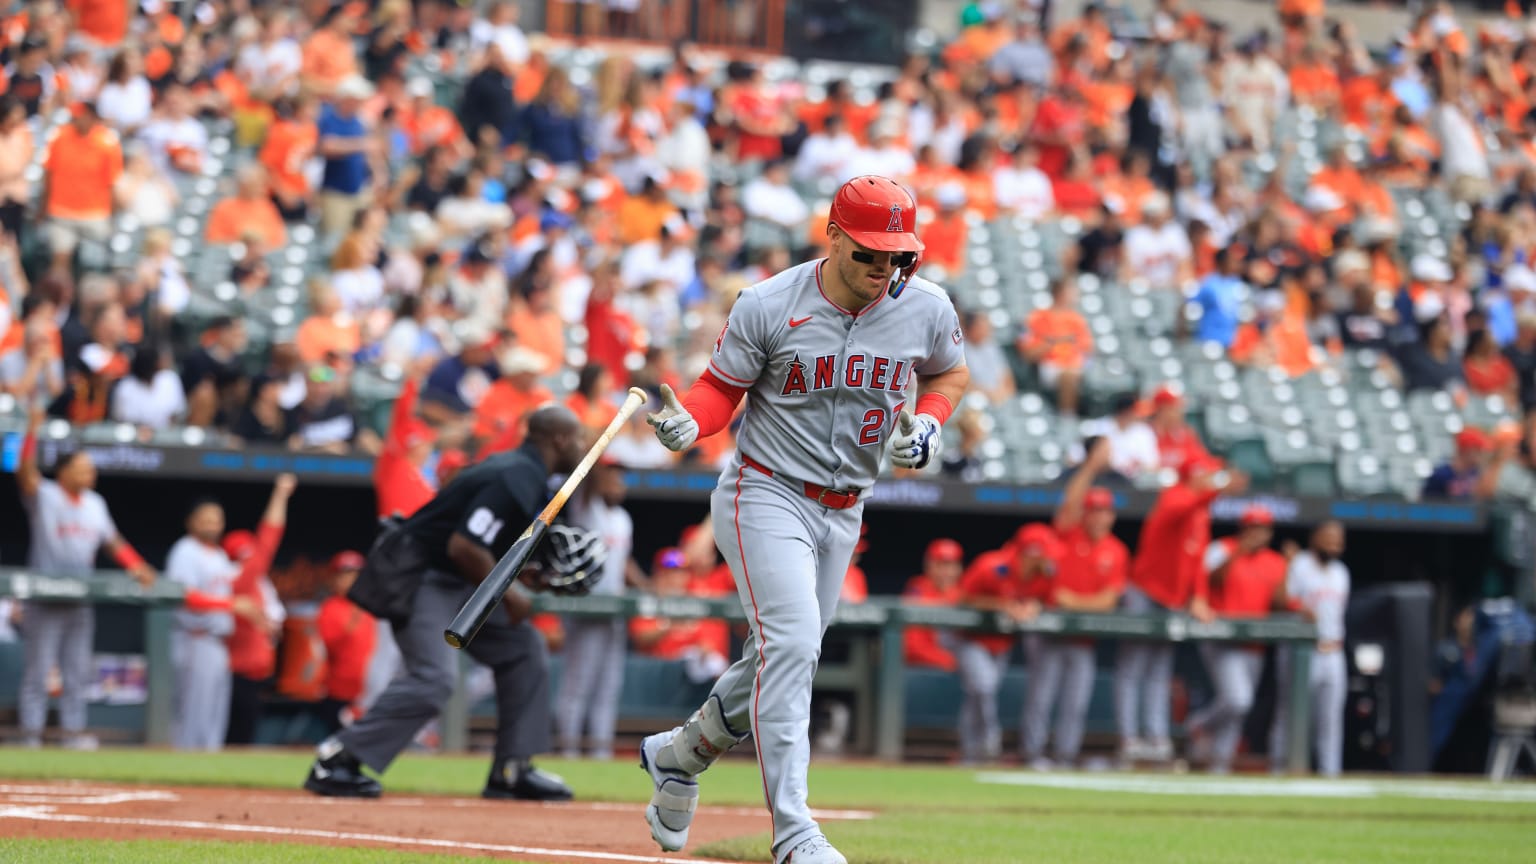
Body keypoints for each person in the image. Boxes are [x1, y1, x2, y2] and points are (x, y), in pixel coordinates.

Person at [638, 175, 969, 864]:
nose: (884, 267)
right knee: (791, 647)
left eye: (897, 255)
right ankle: (793, 830)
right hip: (767, 491)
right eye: (870, 251)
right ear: (835, 237)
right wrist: (688, 423)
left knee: (783, 654)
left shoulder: (926, 306)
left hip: (847, 508)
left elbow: (949, 373)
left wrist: (932, 424)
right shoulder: (769, 302)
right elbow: (718, 389)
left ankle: (680, 755)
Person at [303, 404, 597, 801]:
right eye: (578, 438)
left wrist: (531, 577)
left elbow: (486, 546)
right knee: (434, 678)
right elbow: (464, 547)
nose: (583, 447)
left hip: (460, 581)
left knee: (524, 649)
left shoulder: (529, 475)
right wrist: (512, 594)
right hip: (423, 576)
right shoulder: (516, 474)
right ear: (559, 440)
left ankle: (512, 769)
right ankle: (338, 757)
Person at [16, 407, 157, 749]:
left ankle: (72, 736)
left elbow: (114, 542)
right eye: (82, 468)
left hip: (80, 598)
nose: (89, 473)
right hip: (46, 596)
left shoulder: (96, 503)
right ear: (64, 472)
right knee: (38, 673)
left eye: (90, 468)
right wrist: (32, 432)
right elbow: (25, 473)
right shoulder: (46, 495)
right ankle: (30, 738)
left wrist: (138, 566)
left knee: (77, 673)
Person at [1115, 455, 1247, 765]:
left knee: (1159, 669)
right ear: (1194, 476)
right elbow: (1182, 507)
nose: (1212, 480)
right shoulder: (1174, 496)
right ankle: (1128, 737)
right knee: (1133, 666)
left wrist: (1199, 597)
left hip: (1172, 599)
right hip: (1145, 590)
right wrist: (1217, 488)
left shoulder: (1201, 514)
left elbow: (1197, 562)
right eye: (1208, 475)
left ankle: (1156, 736)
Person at [1025, 442, 1127, 769]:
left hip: (1082, 638)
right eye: (1093, 510)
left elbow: (1109, 601)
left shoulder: (1116, 550)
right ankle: (1034, 754)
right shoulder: (1069, 533)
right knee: (1041, 697)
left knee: (1075, 703)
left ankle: (1065, 756)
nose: (1098, 516)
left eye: (1104, 511)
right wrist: (1091, 467)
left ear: (1112, 516)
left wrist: (1074, 601)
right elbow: (1070, 502)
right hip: (1050, 631)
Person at [1184, 505, 1290, 774]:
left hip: (1254, 643)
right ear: (1242, 529)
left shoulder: (1275, 561)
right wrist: (1239, 551)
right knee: (1238, 700)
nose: (1257, 533)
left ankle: (1220, 767)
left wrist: (1289, 569)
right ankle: (1200, 724)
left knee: (1240, 710)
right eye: (1252, 527)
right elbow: (1209, 581)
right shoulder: (1222, 548)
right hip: (1222, 637)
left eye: (1262, 528)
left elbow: (1279, 604)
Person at [554, 458, 645, 760]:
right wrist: (600, 456)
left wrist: (647, 586)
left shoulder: (623, 518)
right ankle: (568, 751)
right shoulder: (586, 508)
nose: (619, 484)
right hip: (586, 607)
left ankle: (600, 755)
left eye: (621, 478)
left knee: (608, 687)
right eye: (613, 477)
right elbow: (588, 477)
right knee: (578, 683)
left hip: (613, 611)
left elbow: (623, 562)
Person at [166, 496, 273, 750]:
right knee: (192, 712)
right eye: (205, 519)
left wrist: (256, 614)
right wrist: (231, 605)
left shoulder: (219, 556)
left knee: (213, 715)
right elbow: (184, 596)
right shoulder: (185, 551)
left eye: (216, 520)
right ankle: (183, 761)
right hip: (194, 636)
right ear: (191, 522)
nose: (212, 525)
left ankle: (206, 762)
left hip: (217, 641)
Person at [956, 523, 1057, 764]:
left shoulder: (1044, 574)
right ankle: (990, 738)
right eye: (1041, 554)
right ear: (1029, 553)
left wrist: (1035, 605)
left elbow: (1049, 599)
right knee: (984, 686)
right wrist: (1001, 604)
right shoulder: (992, 565)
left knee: (979, 694)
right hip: (972, 638)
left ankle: (971, 752)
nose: (1046, 559)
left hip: (1001, 644)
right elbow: (963, 598)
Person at [1271, 520, 1351, 777]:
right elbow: (1279, 602)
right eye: (1329, 538)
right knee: (1290, 713)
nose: (1334, 544)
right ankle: (1278, 769)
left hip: (1333, 650)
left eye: (1338, 540)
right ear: (1315, 537)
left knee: (1331, 719)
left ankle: (1330, 773)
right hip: (1302, 651)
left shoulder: (1341, 572)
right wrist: (1288, 567)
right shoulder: (1299, 564)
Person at [223, 475, 297, 747]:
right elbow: (270, 533)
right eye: (242, 556)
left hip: (255, 675)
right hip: (234, 674)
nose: (249, 561)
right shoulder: (236, 581)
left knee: (243, 738)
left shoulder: (259, 584)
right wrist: (280, 495)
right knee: (232, 740)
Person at [316, 551, 378, 734]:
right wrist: (354, 618)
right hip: (340, 694)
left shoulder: (374, 607)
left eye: (356, 574)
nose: (351, 580)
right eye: (345, 574)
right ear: (334, 578)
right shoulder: (330, 608)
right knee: (340, 743)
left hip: (372, 693)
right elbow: (329, 649)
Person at [901, 539, 965, 671]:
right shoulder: (918, 592)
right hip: (921, 669)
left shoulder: (963, 594)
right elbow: (912, 646)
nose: (947, 572)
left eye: (952, 566)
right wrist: (950, 662)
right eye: (941, 565)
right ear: (928, 566)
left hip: (953, 665)